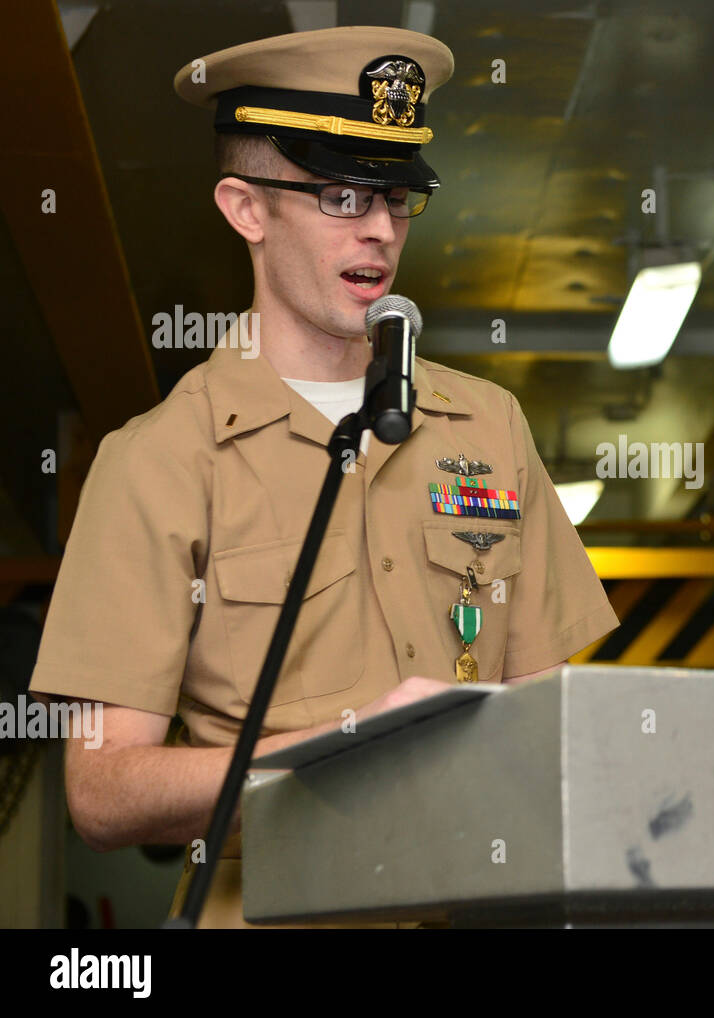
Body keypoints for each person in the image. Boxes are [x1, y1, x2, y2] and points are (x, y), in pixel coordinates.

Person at [27, 26, 619, 928]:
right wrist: (347, 745)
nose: (379, 229)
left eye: (396, 197)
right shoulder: (159, 461)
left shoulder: (490, 426)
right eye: (338, 196)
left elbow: (552, 724)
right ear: (245, 209)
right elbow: (103, 791)